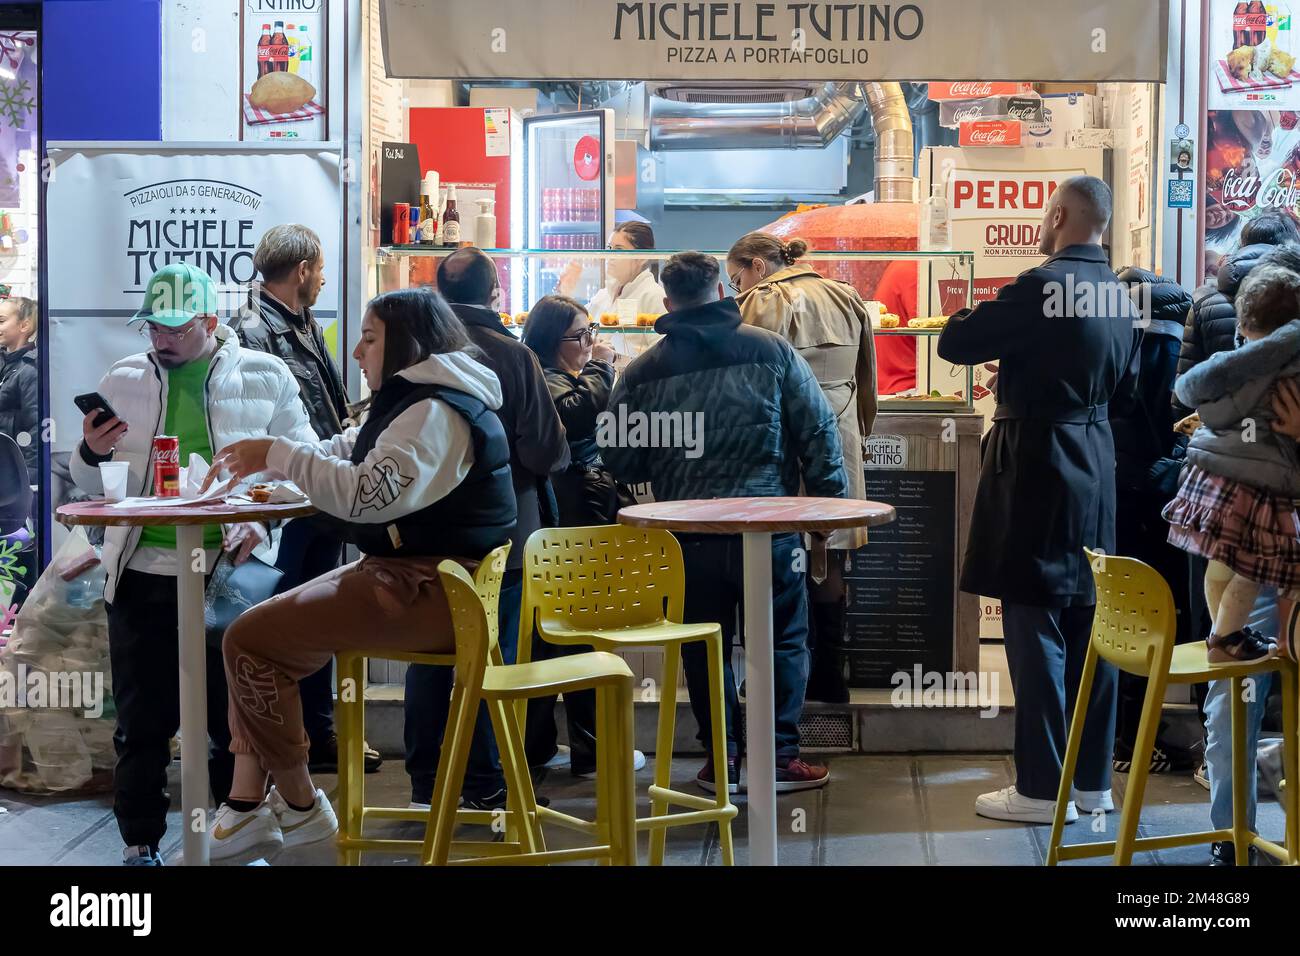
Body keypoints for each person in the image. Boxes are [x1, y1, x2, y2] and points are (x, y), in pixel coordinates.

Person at [203, 288, 517, 865]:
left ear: (407, 344)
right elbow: (347, 453)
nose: (355, 352)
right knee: (253, 638)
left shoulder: (436, 411)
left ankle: (298, 809)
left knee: (249, 640)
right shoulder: (417, 401)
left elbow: (365, 495)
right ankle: (248, 804)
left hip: (429, 592)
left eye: (369, 339)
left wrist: (278, 453)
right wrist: (278, 468)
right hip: (416, 578)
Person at [69, 263, 318, 866]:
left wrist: (260, 517)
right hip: (142, 569)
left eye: (176, 328)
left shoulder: (264, 374)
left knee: (229, 719)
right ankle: (141, 844)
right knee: (141, 720)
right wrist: (89, 451)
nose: (160, 338)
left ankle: (230, 837)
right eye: (152, 325)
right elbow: (88, 482)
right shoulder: (123, 378)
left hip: (227, 570)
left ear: (211, 322)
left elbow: (305, 467)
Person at [936, 176, 1142, 825]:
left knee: (1033, 623)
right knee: (1090, 622)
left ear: (1057, 216)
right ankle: (1090, 784)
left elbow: (956, 341)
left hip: (1038, 465)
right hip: (1096, 459)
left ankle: (1038, 788)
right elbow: (1118, 379)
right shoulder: (1121, 291)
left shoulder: (1041, 284)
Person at [603, 251, 848, 793]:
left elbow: (618, 456)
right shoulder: (772, 351)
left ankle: (721, 758)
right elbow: (818, 432)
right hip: (769, 528)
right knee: (781, 642)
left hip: (689, 537)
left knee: (703, 645)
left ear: (667, 302)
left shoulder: (643, 371)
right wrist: (827, 510)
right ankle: (778, 759)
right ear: (721, 291)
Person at [400, 247, 568, 809]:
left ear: (439, 296)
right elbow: (547, 451)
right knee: (493, 656)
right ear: (495, 293)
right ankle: (483, 783)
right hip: (504, 534)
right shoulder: (515, 357)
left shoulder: (411, 355)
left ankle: (427, 782)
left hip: (426, 532)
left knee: (429, 658)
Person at [233, 224, 380, 775]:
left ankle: (317, 738)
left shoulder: (300, 324)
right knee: (282, 623)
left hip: (315, 494)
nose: (322, 280)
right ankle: (284, 745)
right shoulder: (252, 331)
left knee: (317, 621)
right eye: (319, 270)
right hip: (284, 502)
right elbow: (252, 424)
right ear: (301, 272)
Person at [728, 232, 878, 703]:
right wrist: (856, 431)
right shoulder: (845, 294)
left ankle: (778, 682)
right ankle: (831, 677)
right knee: (831, 552)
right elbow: (866, 376)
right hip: (843, 433)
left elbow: (750, 384)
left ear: (757, 266)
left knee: (778, 556)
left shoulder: (762, 301)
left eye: (735, 279)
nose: (736, 290)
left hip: (785, 442)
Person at [520, 294, 645, 779]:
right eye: (581, 335)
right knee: (577, 627)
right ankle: (591, 750)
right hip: (570, 511)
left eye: (592, 333)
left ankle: (541, 745)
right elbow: (576, 412)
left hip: (568, 509)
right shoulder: (549, 378)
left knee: (558, 629)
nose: (590, 342)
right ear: (556, 341)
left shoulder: (548, 373)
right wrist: (602, 367)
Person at [1163, 264, 1300, 663]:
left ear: (1243, 319)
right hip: (1263, 484)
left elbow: (1195, 398)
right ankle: (1226, 636)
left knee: (1221, 562)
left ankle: (1223, 635)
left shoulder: (1230, 366)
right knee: (1253, 571)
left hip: (1210, 479)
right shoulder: (1290, 369)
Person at [1107, 268, 1201, 776]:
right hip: (1163, 492)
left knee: (1122, 614)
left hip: (1117, 491)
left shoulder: (1118, 341)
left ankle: (1124, 735)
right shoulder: (1174, 341)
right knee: (1164, 615)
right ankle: (1135, 738)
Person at [1174, 211, 1300, 420]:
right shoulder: (1295, 302)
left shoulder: (1205, 305)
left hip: (1219, 435)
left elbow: (1183, 398)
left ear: (1242, 245)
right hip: (1285, 435)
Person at [558, 220, 667, 318]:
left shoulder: (653, 296)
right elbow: (576, 324)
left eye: (619, 249)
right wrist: (565, 291)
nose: (610, 255)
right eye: (609, 248)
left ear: (642, 257)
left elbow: (661, 341)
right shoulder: (604, 295)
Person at [0, 296, 38, 478]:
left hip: (14, 472)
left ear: (24, 326)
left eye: (1, 321)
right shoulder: (3, 362)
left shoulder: (30, 370)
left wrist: (29, 476)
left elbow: (36, 426)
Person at [872, 258, 919, 394]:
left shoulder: (902, 265)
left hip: (887, 382)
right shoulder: (915, 271)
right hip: (907, 385)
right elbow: (933, 339)